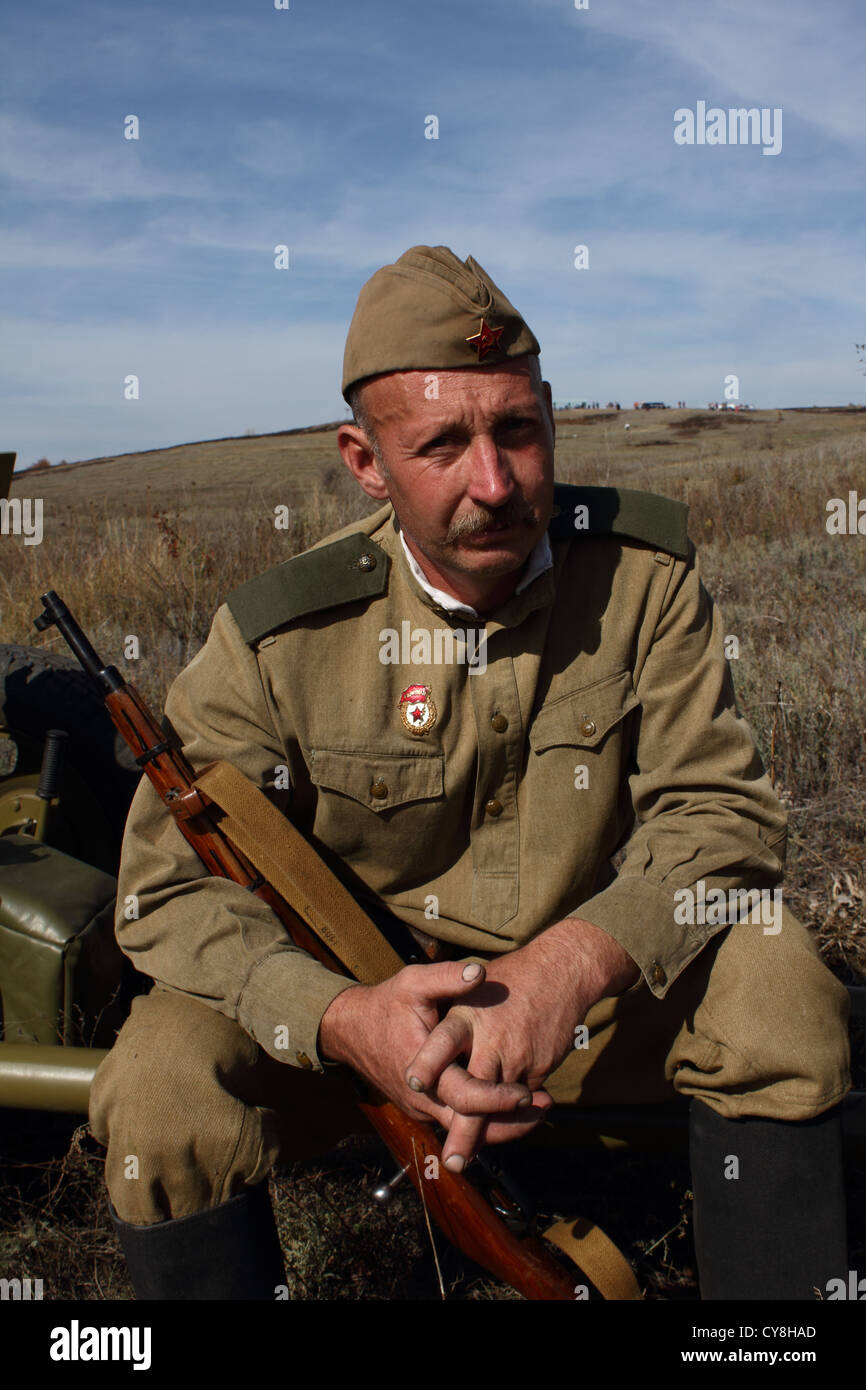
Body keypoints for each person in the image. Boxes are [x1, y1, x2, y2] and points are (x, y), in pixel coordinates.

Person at [90, 245, 850, 1301]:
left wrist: (566, 970)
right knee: (163, 1078)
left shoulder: (644, 584)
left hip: (588, 1015)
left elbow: (716, 816)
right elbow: (164, 890)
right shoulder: (274, 640)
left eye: (518, 431)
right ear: (363, 461)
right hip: (354, 1037)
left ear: (550, 417)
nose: (493, 483)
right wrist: (333, 1015)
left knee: (776, 980)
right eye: (442, 444)